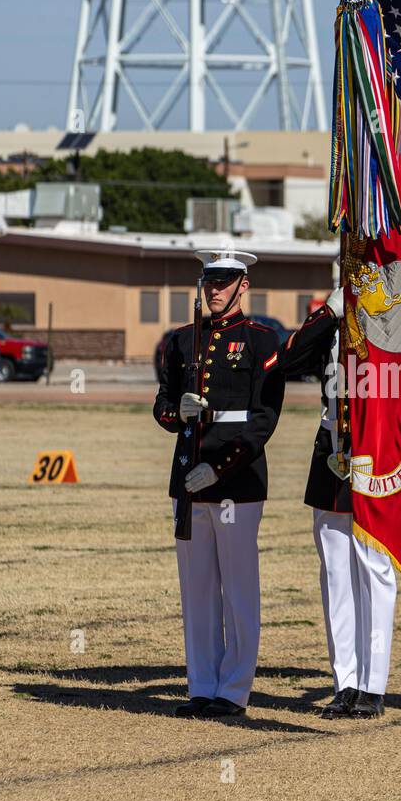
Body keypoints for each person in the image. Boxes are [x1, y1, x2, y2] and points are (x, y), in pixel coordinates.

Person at [277, 288, 401, 718]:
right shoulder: (330, 330)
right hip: (331, 458)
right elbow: (286, 361)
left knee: (375, 572)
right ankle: (344, 681)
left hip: (381, 465)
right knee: (335, 576)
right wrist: (328, 312)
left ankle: (373, 685)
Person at [153, 248, 286, 719]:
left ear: (243, 285)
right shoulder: (182, 340)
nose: (214, 289)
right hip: (189, 478)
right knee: (198, 591)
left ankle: (234, 690)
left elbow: (263, 420)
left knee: (238, 589)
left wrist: (220, 468)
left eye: (225, 281)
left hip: (237, 480)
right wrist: (177, 412)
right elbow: (162, 405)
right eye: (209, 280)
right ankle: (201, 685)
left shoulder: (261, 341)